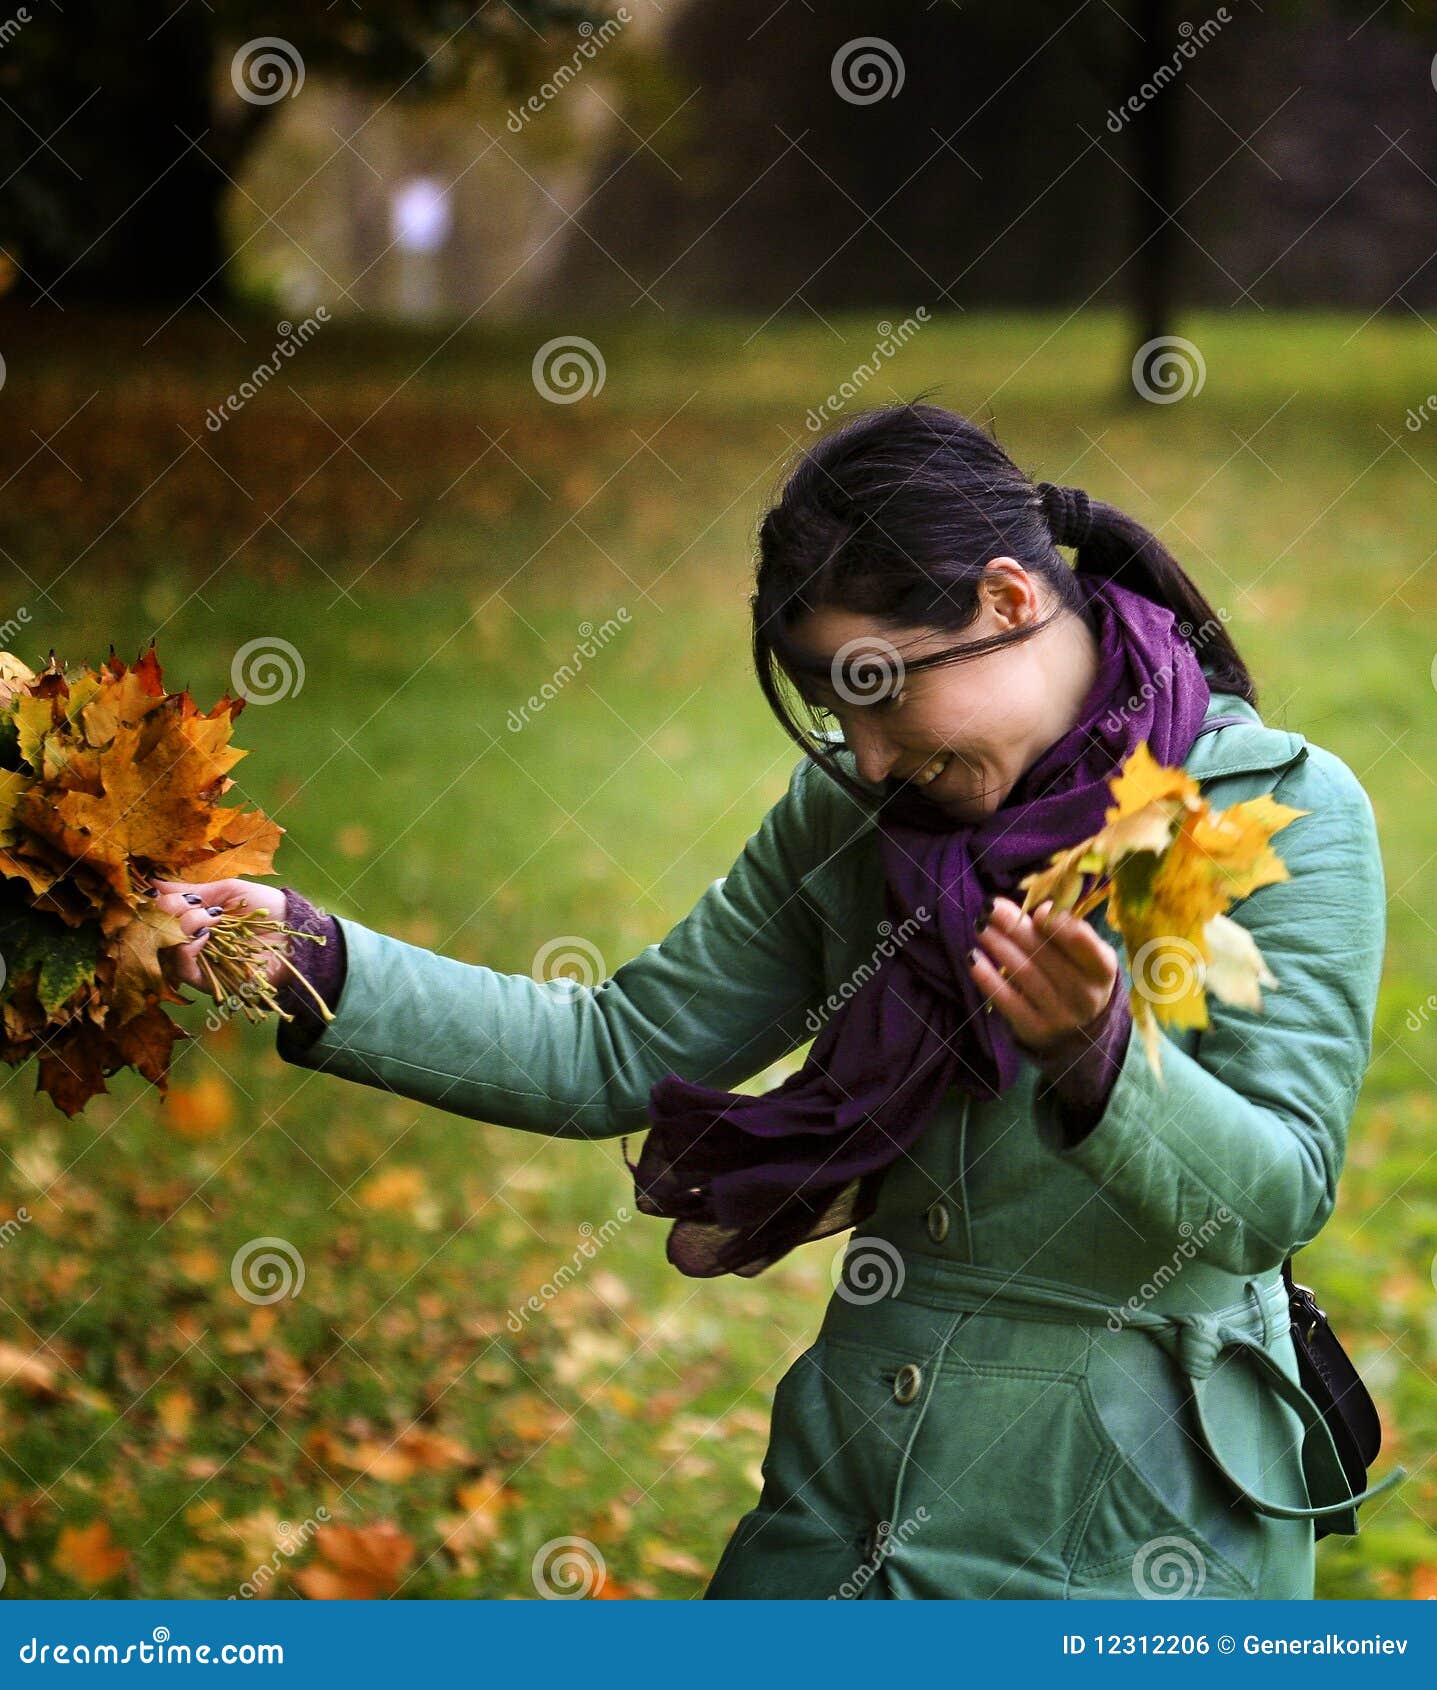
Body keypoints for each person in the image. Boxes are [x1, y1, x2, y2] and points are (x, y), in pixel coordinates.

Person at [155, 399, 1396, 1599]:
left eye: (880, 689)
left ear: (1009, 601)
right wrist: (311, 956)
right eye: (831, 705)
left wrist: (1104, 1057)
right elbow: (611, 1051)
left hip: (1128, 1544)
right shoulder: (855, 818)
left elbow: (1275, 1198)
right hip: (844, 1521)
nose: (863, 755)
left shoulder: (1280, 812)